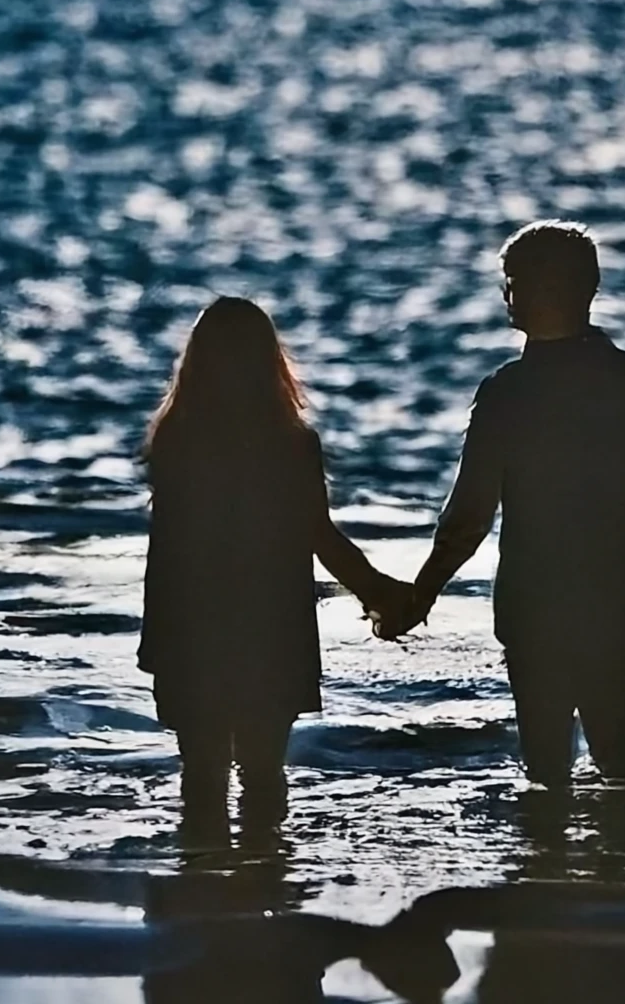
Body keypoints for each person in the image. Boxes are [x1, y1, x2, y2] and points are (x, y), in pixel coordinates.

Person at [376, 220, 625, 785]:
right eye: (509, 282)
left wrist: (420, 595)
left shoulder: (509, 392)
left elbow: (469, 516)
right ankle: (614, 861)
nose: (510, 296)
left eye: (519, 282)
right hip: (616, 598)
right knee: (616, 750)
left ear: (575, 290)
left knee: (547, 762)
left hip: (538, 602)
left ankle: (547, 863)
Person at [138, 296, 409, 847]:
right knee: (264, 777)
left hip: (191, 632)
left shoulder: (175, 442)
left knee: (202, 777)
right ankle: (266, 895)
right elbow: (319, 536)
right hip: (270, 632)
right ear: (271, 364)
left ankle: (198, 899)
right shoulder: (291, 444)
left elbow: (168, 553)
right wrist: (381, 592)